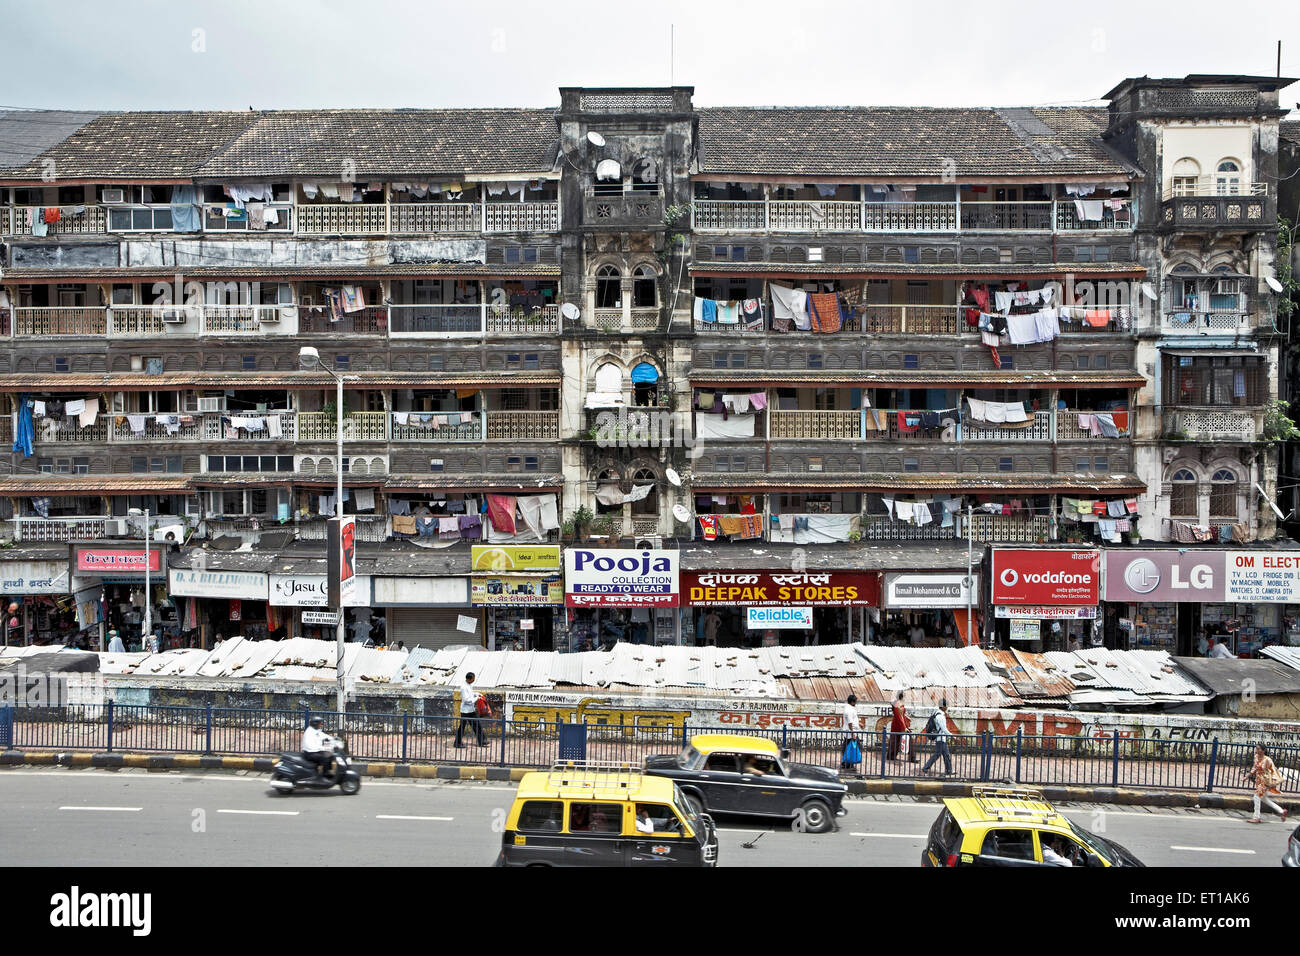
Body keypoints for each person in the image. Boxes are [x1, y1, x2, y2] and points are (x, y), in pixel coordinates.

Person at [1246, 743, 1289, 823]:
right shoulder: (1256, 757)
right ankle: (1281, 811)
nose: (1257, 751)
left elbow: (1273, 770)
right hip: (1258, 780)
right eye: (1257, 749)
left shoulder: (1267, 760)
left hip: (1265, 781)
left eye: (1259, 749)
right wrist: (1248, 776)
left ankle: (1256, 817)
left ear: (1264, 750)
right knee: (1264, 799)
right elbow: (1254, 768)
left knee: (1257, 797)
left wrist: (1273, 782)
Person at [921, 700, 954, 776]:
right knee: (937, 755)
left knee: (946, 755)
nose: (947, 707)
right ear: (942, 706)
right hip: (940, 739)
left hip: (941, 738)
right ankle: (925, 768)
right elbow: (943, 729)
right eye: (946, 706)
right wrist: (952, 736)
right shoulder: (940, 716)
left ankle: (949, 770)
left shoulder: (936, 713)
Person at [455, 671, 486, 747]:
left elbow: (471, 694)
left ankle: (482, 741)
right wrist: (476, 698)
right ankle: (457, 743)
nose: (474, 680)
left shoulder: (469, 685)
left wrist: (477, 694)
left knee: (477, 725)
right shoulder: (463, 687)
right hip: (465, 711)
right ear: (469, 679)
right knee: (462, 727)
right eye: (473, 678)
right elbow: (466, 700)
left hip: (471, 710)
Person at [840, 694, 861, 770]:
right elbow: (850, 723)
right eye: (855, 702)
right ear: (852, 702)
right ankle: (847, 763)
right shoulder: (849, 710)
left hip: (850, 732)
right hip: (850, 732)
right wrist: (853, 734)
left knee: (848, 748)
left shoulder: (849, 708)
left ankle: (847, 763)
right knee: (852, 748)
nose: (856, 703)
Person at [888, 691, 911, 761]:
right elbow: (899, 716)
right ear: (902, 697)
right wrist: (904, 727)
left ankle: (892, 755)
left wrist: (906, 717)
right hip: (898, 724)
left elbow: (901, 715)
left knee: (895, 741)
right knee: (895, 741)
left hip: (898, 723)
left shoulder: (898, 704)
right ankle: (891, 755)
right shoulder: (898, 704)